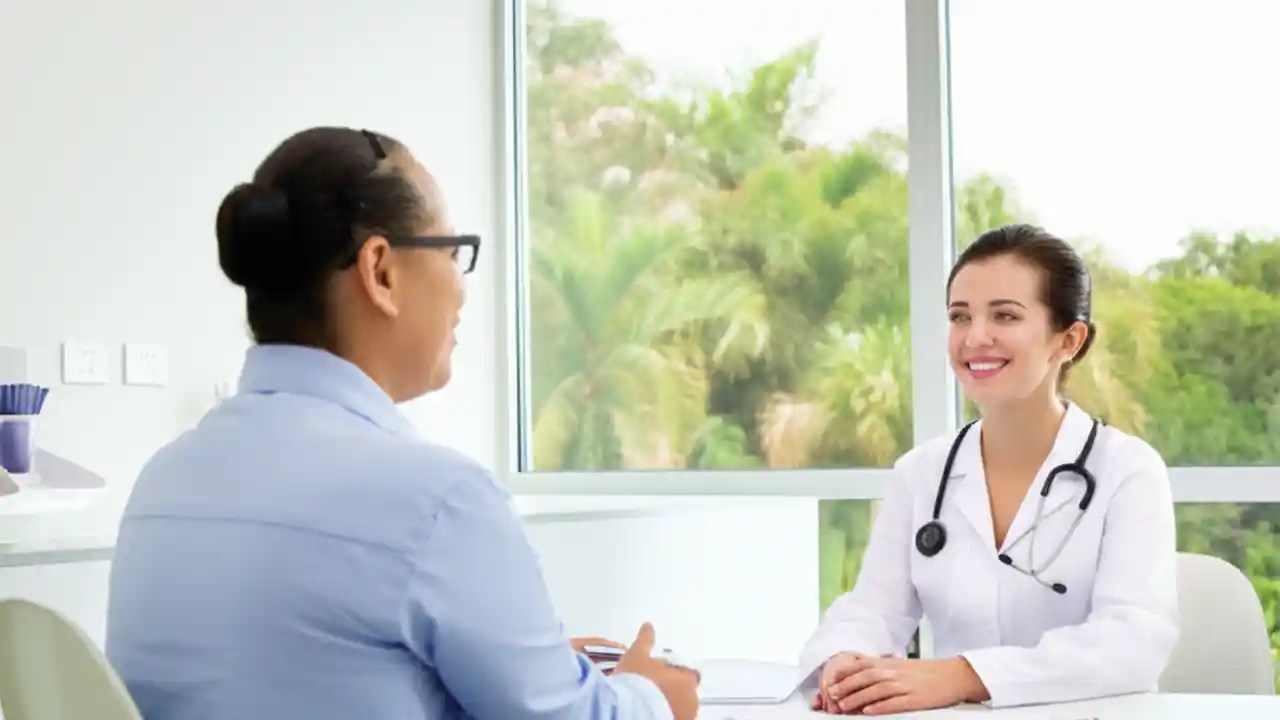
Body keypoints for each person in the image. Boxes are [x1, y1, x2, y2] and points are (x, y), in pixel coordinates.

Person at [105, 127, 699, 720]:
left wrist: (526, 666)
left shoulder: (162, 482)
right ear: (382, 271)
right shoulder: (439, 501)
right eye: (450, 252)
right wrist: (651, 695)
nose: (461, 291)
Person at [800, 224, 1179, 715]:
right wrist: (844, 662)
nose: (975, 338)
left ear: (1068, 339)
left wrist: (964, 676)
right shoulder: (922, 473)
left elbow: (1134, 643)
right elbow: (873, 608)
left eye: (1005, 315)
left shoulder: (1127, 470)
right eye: (960, 317)